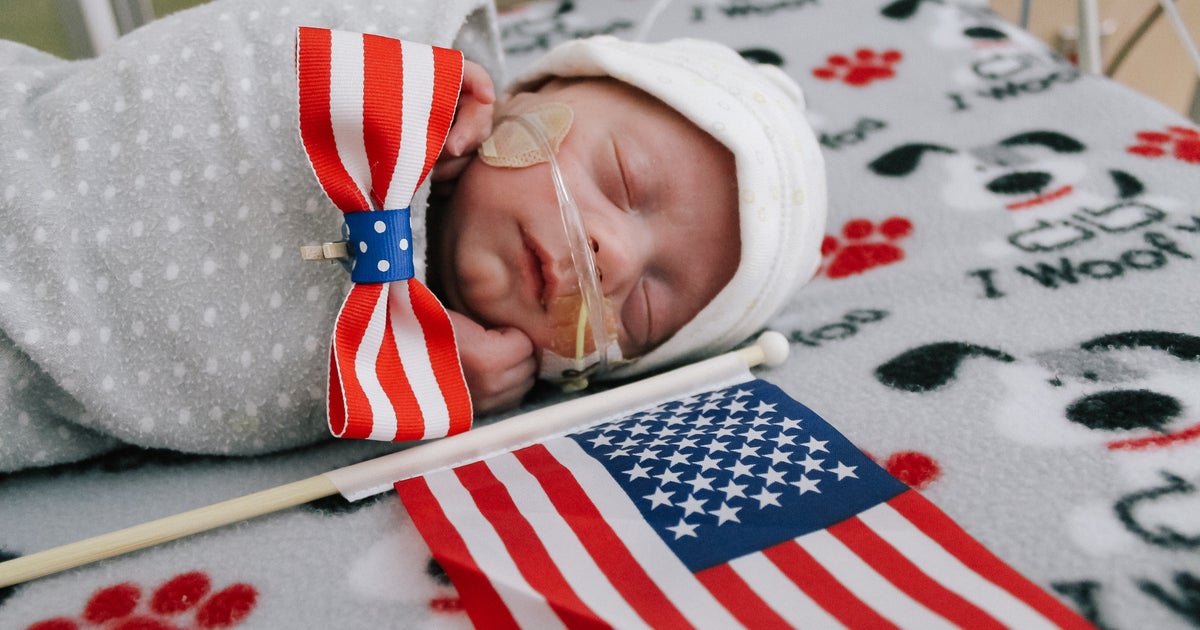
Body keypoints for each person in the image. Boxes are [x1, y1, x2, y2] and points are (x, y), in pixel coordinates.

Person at [0, 0, 824, 471]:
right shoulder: (385, 49)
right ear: (537, 91)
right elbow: (215, 61)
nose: (614, 256)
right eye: (624, 181)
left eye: (644, 311)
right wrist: (401, 70)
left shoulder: (426, 380)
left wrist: (425, 383)